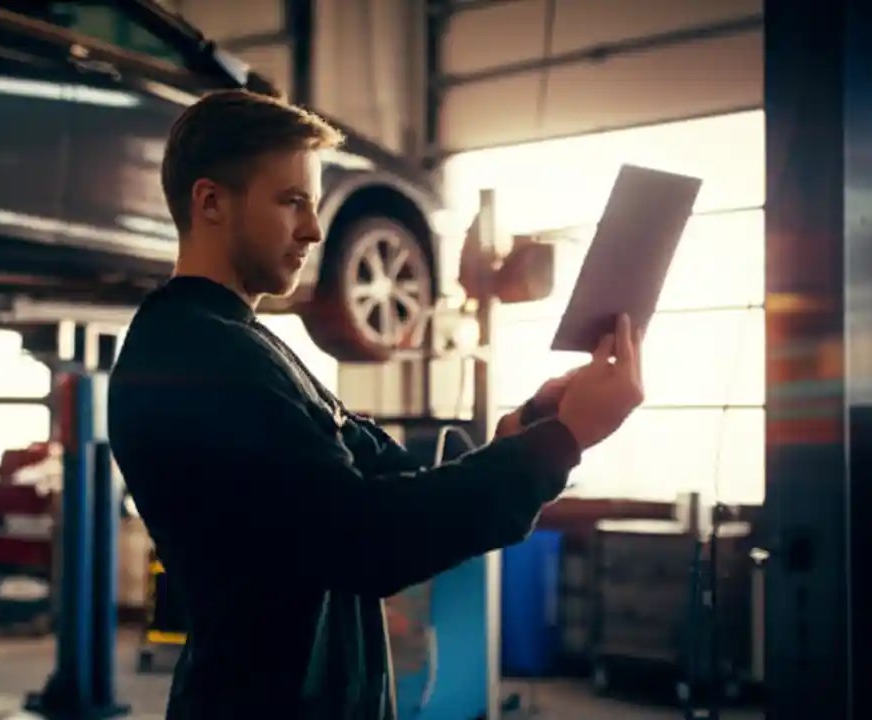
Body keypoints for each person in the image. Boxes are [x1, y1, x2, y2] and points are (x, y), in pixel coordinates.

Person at [107, 89, 644, 719]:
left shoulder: (239, 346)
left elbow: (387, 484)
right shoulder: (196, 355)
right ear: (210, 202)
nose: (313, 230)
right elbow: (367, 538)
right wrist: (561, 442)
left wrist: (528, 429)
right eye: (292, 202)